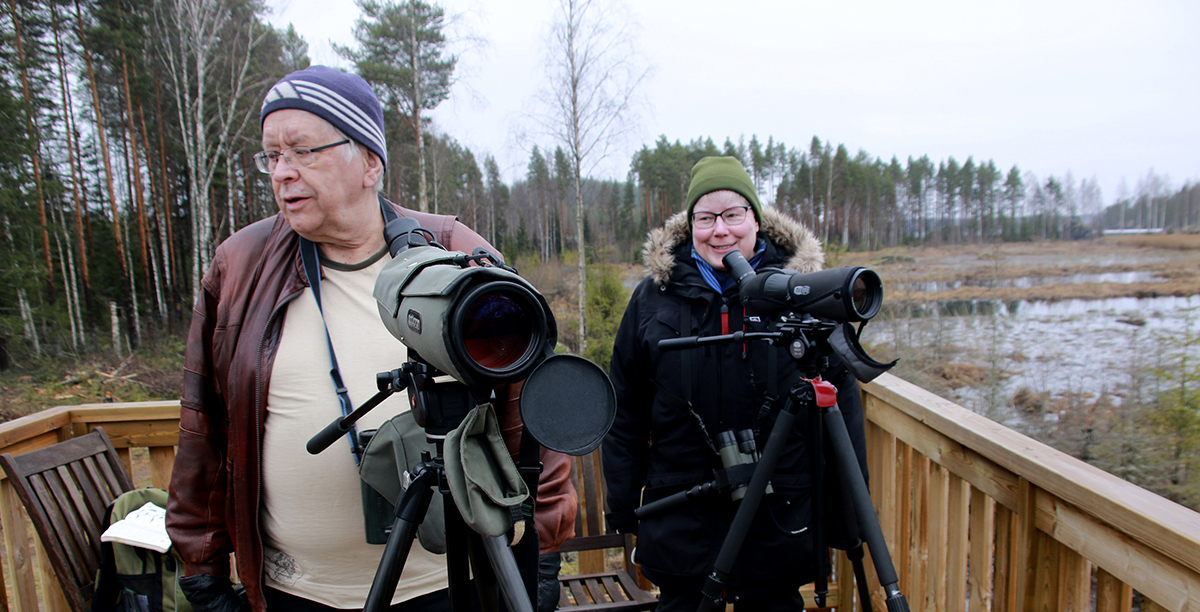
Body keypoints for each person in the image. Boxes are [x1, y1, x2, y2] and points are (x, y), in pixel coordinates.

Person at [166, 65, 576, 612]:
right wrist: (204, 570)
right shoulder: (239, 267)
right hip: (296, 592)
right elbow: (203, 426)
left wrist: (543, 552)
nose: (282, 173)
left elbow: (534, 409)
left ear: (370, 163)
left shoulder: (455, 252)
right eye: (272, 155)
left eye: (303, 151)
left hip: (448, 585)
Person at [602, 157, 870, 611]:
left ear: (756, 220)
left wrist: (849, 516)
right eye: (705, 218)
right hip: (682, 510)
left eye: (733, 215)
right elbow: (624, 405)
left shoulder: (802, 291)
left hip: (779, 514)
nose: (720, 231)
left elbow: (839, 403)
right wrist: (624, 505)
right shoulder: (653, 299)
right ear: (689, 226)